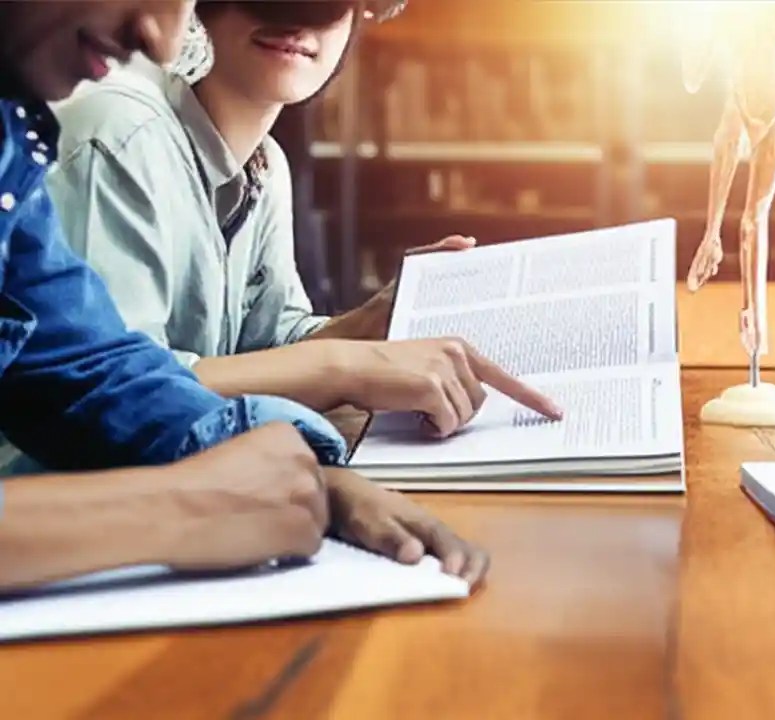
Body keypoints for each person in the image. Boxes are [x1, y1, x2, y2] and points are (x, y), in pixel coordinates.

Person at [0, 0, 487, 591]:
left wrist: (311, 479)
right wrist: (179, 507)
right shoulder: (120, 125)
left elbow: (86, 371)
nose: (160, 42)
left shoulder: (13, 140)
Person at [42, 1, 561, 455]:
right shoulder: (122, 133)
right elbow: (118, 393)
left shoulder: (265, 165)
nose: (294, 25)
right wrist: (346, 367)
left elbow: (271, 347)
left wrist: (377, 318)